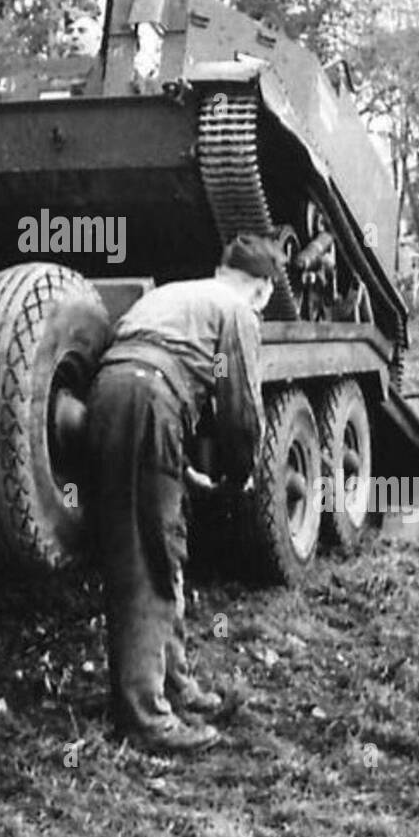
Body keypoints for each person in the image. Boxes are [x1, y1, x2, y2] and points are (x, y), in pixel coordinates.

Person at [84, 233, 281, 754]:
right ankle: (146, 717)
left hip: (113, 397)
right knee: (148, 553)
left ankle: (174, 681)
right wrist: (240, 473)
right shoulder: (236, 311)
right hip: (149, 400)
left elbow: (155, 367)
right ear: (261, 288)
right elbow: (238, 404)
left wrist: (183, 468)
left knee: (160, 546)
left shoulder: (176, 294)